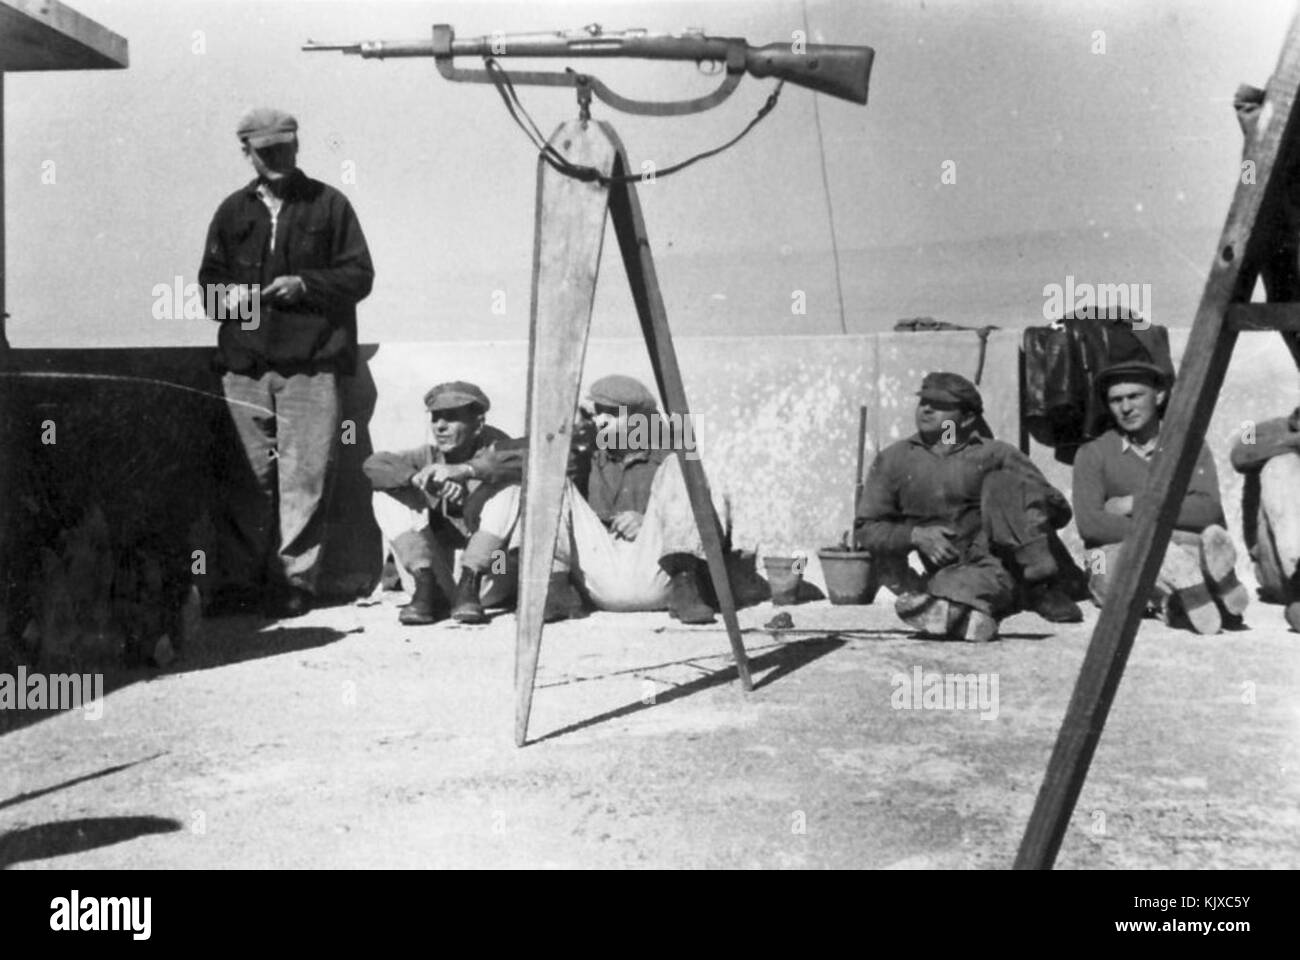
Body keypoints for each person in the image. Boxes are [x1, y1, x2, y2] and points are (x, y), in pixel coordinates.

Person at [199, 108, 374, 618]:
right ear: (247, 152)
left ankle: (297, 581)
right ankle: (239, 582)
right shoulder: (232, 212)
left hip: (311, 366)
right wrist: (234, 301)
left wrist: (306, 285)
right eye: (266, 151)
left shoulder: (330, 204)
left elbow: (360, 275)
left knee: (305, 478)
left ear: (297, 147)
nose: (278, 159)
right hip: (244, 367)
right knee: (244, 477)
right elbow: (210, 287)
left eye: (285, 149)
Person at [467, 374, 719, 624]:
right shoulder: (588, 449)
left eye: (611, 413)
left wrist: (646, 521)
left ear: (640, 419)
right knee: (549, 473)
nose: (600, 420)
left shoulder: (669, 450)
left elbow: (697, 507)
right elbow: (526, 455)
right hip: (599, 565)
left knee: (686, 465)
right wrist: (468, 470)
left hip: (658, 567)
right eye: (597, 411)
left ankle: (687, 584)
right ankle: (553, 590)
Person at [854, 372, 1082, 643]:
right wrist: (916, 535)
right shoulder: (895, 460)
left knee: (1003, 482)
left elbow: (1059, 510)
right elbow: (866, 529)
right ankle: (971, 617)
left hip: (1009, 561)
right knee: (945, 591)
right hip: (954, 569)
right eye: (924, 402)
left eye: (940, 405)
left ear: (967, 418)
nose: (926, 409)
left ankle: (1039, 586)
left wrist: (1009, 512)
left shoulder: (996, 454)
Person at [1072, 360, 1248, 634]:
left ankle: (1182, 599)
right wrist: (1169, 533)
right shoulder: (1092, 453)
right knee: (1105, 573)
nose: (1126, 407)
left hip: (1177, 543)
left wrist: (1134, 503)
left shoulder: (1189, 445)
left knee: (1181, 553)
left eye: (1134, 396)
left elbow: (1208, 510)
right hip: (1108, 551)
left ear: (1159, 396)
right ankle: (1210, 589)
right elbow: (1091, 525)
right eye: (1116, 400)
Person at [363, 382, 513, 625]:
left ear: (479, 424)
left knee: (512, 483)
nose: (440, 427)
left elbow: (528, 457)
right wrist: (417, 480)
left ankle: (470, 581)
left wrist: (465, 472)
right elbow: (374, 464)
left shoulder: (497, 450)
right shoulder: (427, 457)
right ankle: (424, 584)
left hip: (492, 575)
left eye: (451, 418)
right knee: (385, 491)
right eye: (435, 418)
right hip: (436, 578)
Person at [1230, 405, 1300, 631]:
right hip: (1281, 571)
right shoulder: (1256, 426)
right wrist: (1294, 441)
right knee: (1281, 465)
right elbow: (1240, 453)